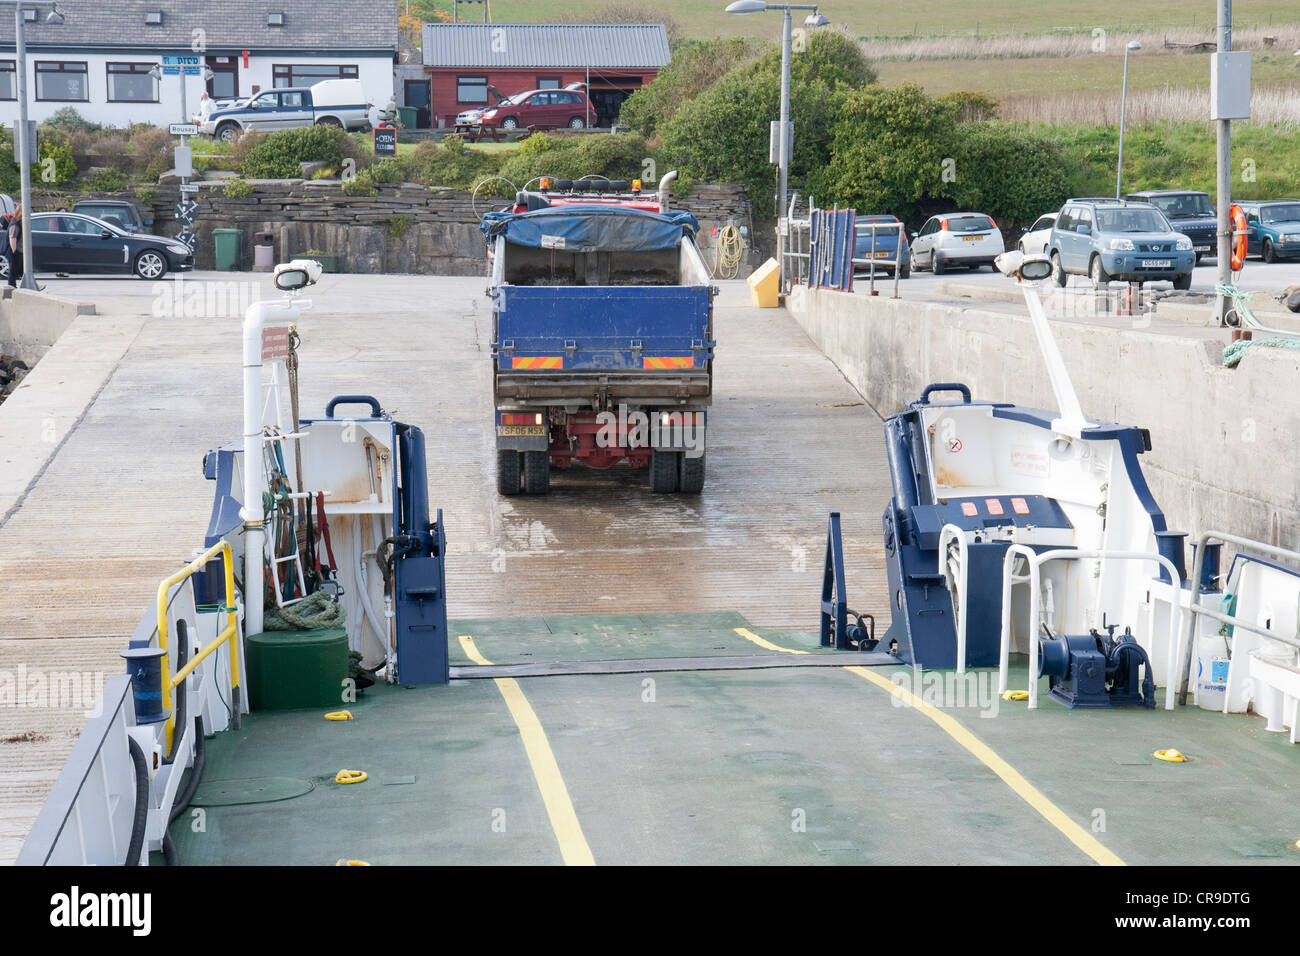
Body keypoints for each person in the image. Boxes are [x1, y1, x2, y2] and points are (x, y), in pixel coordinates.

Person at [7, 203, 21, 288]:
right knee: (13, 270)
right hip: (15, 250)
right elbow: (12, 238)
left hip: (18, 250)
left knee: (16, 269)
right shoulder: (15, 224)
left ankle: (13, 286)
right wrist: (14, 251)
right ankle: (11, 286)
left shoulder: (17, 223)